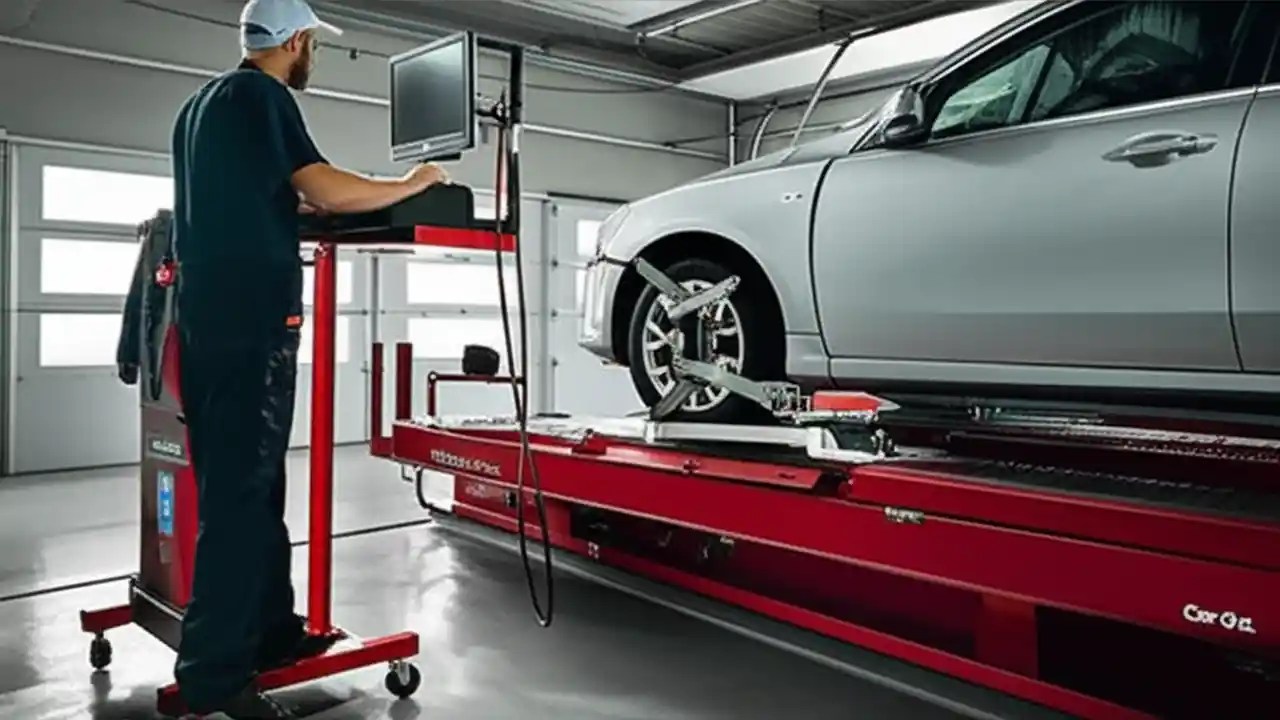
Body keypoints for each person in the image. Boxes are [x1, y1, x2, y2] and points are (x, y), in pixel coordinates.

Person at [169, 0, 448, 716]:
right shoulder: (261, 93)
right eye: (313, 47)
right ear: (295, 41)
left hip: (208, 321)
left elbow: (257, 198)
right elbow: (319, 180)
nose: (312, 59)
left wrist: (296, 211)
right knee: (239, 497)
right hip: (249, 323)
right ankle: (214, 676)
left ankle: (271, 633)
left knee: (255, 487)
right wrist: (408, 186)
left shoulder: (199, 106)